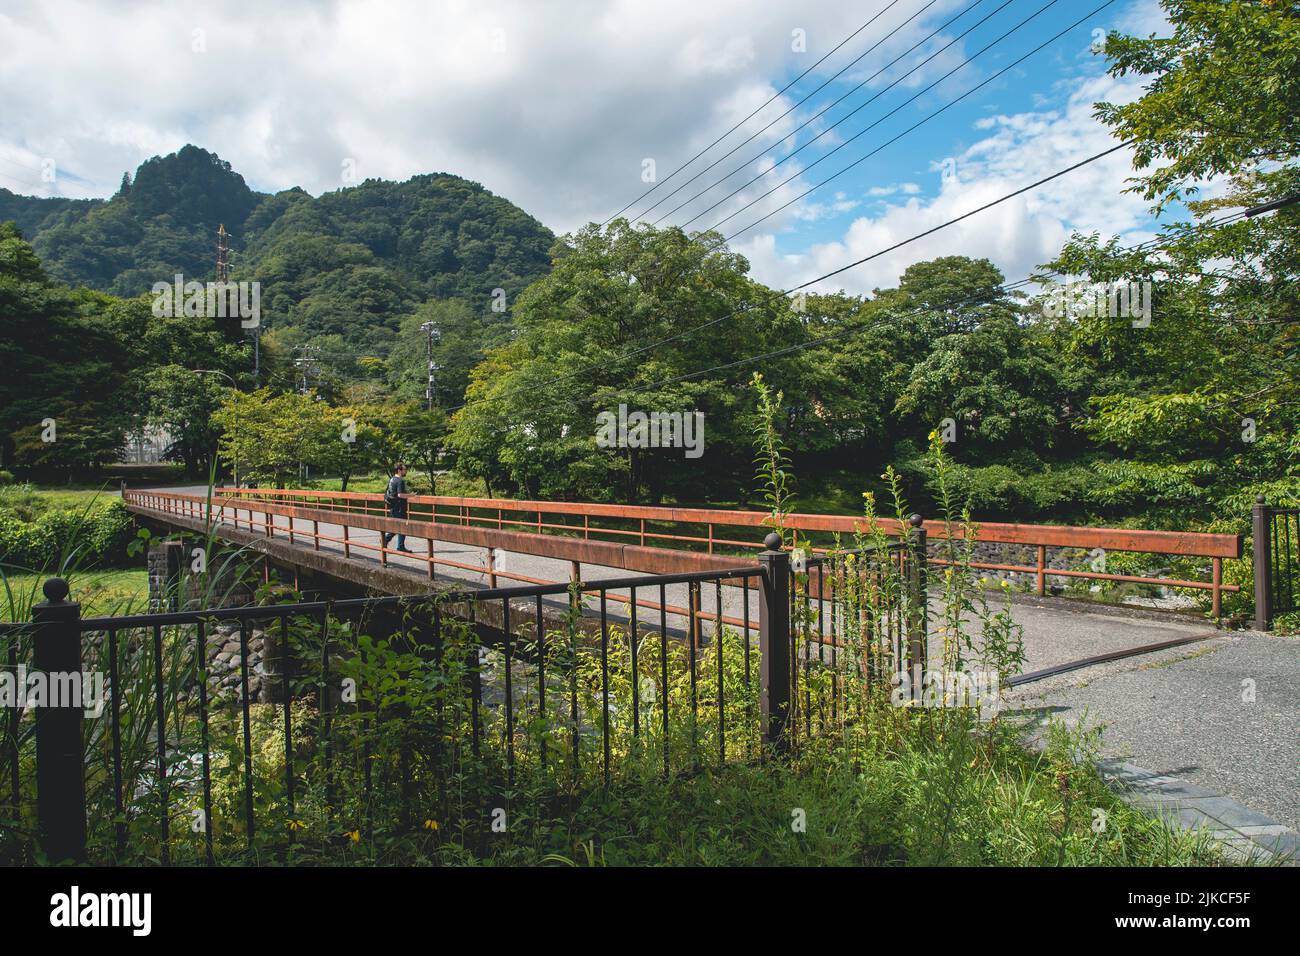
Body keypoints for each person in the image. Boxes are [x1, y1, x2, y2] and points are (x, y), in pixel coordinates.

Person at [382, 463, 414, 553]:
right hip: (399, 507)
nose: (405, 471)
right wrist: (411, 495)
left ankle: (386, 540)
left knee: (397, 526)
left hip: (392, 507)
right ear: (399, 470)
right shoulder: (400, 481)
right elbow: (400, 495)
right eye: (404, 469)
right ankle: (400, 546)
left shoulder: (392, 479)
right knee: (402, 526)